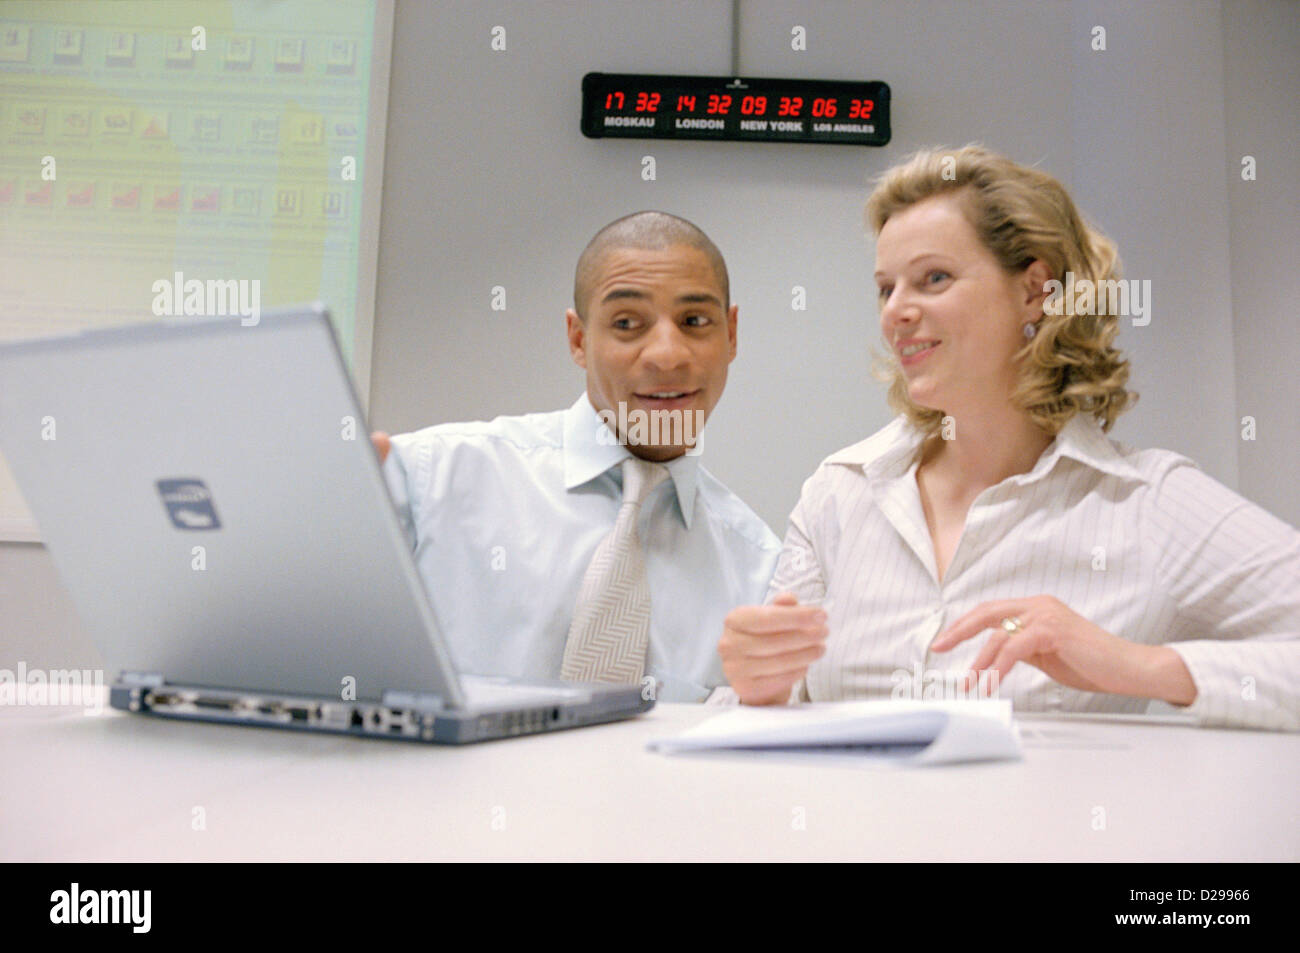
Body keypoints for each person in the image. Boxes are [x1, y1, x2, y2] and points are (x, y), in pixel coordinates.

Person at [718, 145, 1300, 730]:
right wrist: (757, 689)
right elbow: (772, 712)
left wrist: (1135, 665)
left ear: (1035, 291)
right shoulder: (838, 494)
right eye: (885, 288)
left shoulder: (1147, 503)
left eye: (933, 279)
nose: (896, 311)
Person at [373, 211, 779, 702]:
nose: (667, 355)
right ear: (579, 339)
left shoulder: (760, 572)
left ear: (731, 334)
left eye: (695, 322)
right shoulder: (429, 480)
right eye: (628, 324)